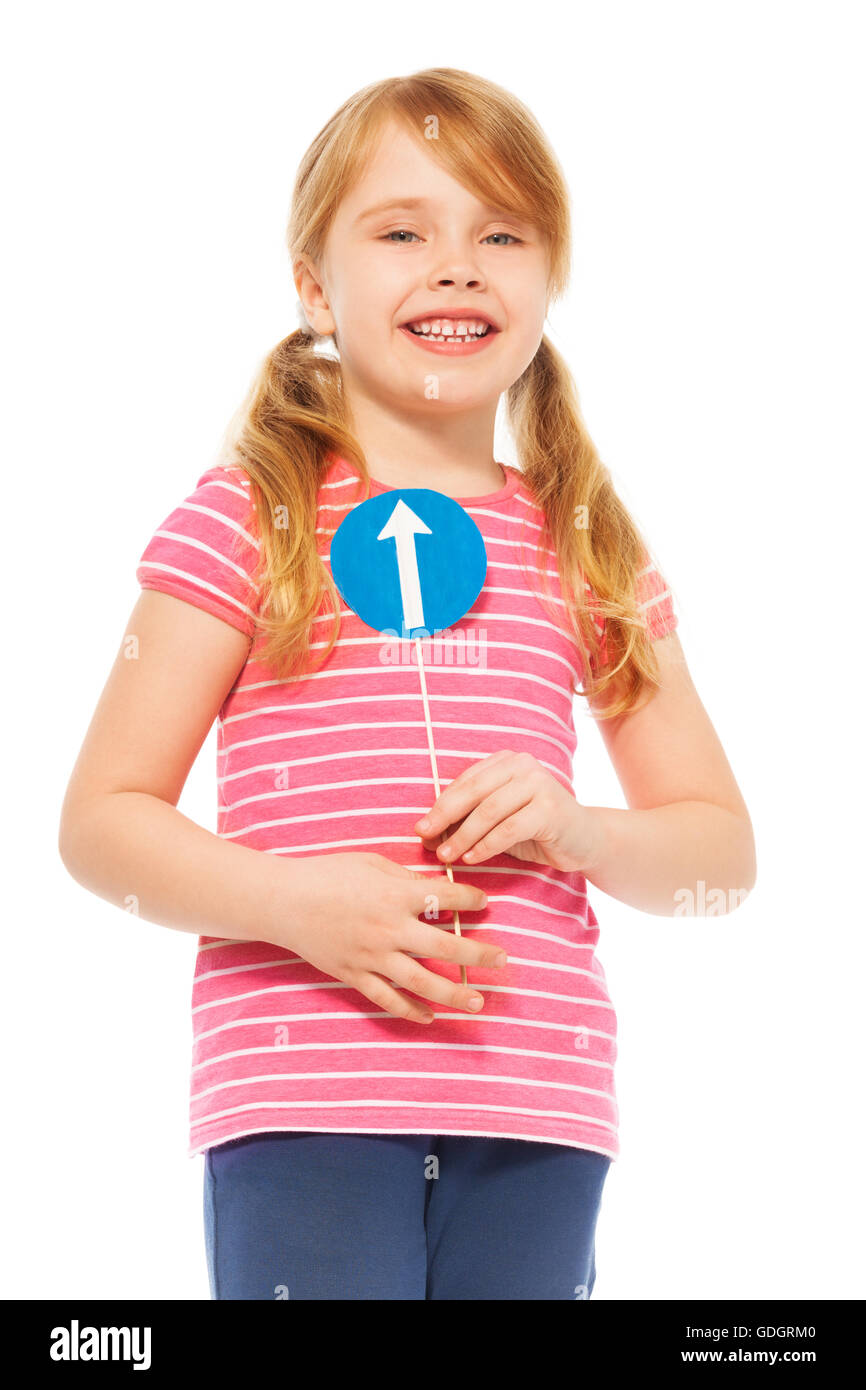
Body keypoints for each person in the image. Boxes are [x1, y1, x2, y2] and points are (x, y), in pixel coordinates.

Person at [58, 67, 757, 1301]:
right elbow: (102, 823)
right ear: (314, 285)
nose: (456, 266)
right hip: (301, 1099)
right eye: (401, 232)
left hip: (538, 1109)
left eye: (501, 233)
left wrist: (577, 823)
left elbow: (717, 856)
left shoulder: (585, 541)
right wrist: (296, 906)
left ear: (550, 278)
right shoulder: (250, 518)